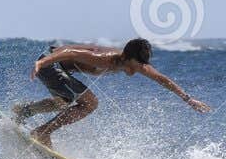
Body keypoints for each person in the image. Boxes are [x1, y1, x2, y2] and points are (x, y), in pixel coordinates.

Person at [12, 38, 211, 146]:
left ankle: (25, 111)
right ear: (126, 56)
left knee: (64, 101)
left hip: (58, 67)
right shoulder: (105, 58)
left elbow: (162, 79)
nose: (136, 71)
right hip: (50, 62)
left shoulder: (138, 64)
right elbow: (70, 53)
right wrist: (41, 62)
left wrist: (188, 99)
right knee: (90, 103)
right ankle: (42, 132)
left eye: (141, 66)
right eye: (134, 65)